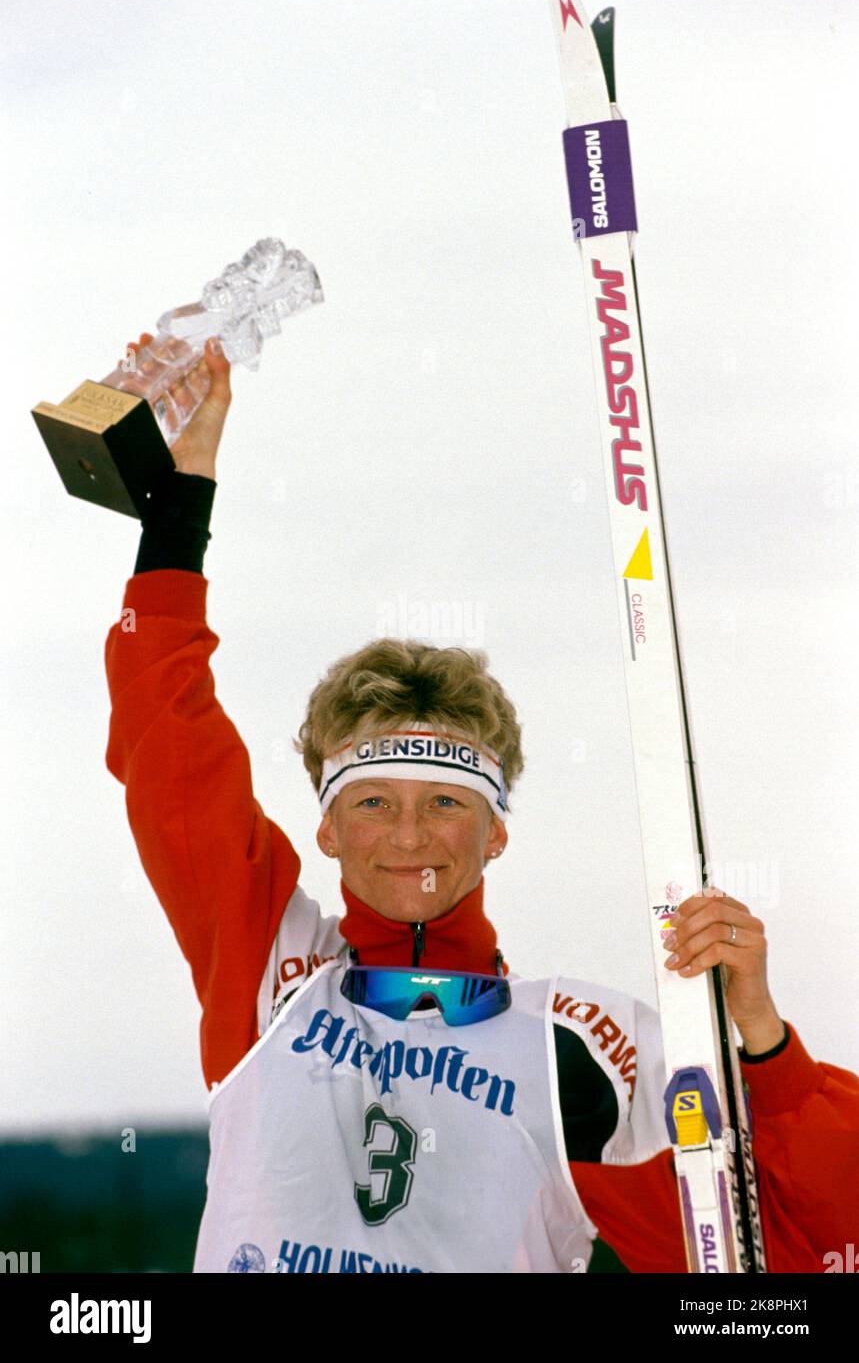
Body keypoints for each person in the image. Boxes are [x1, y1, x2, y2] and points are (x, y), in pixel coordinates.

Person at [104, 334, 859, 1274]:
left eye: (446, 805)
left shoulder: (591, 1042)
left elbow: (815, 1244)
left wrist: (759, 1040)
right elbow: (162, 734)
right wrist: (181, 490)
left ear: (498, 830)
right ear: (326, 828)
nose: (410, 837)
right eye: (373, 803)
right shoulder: (268, 970)